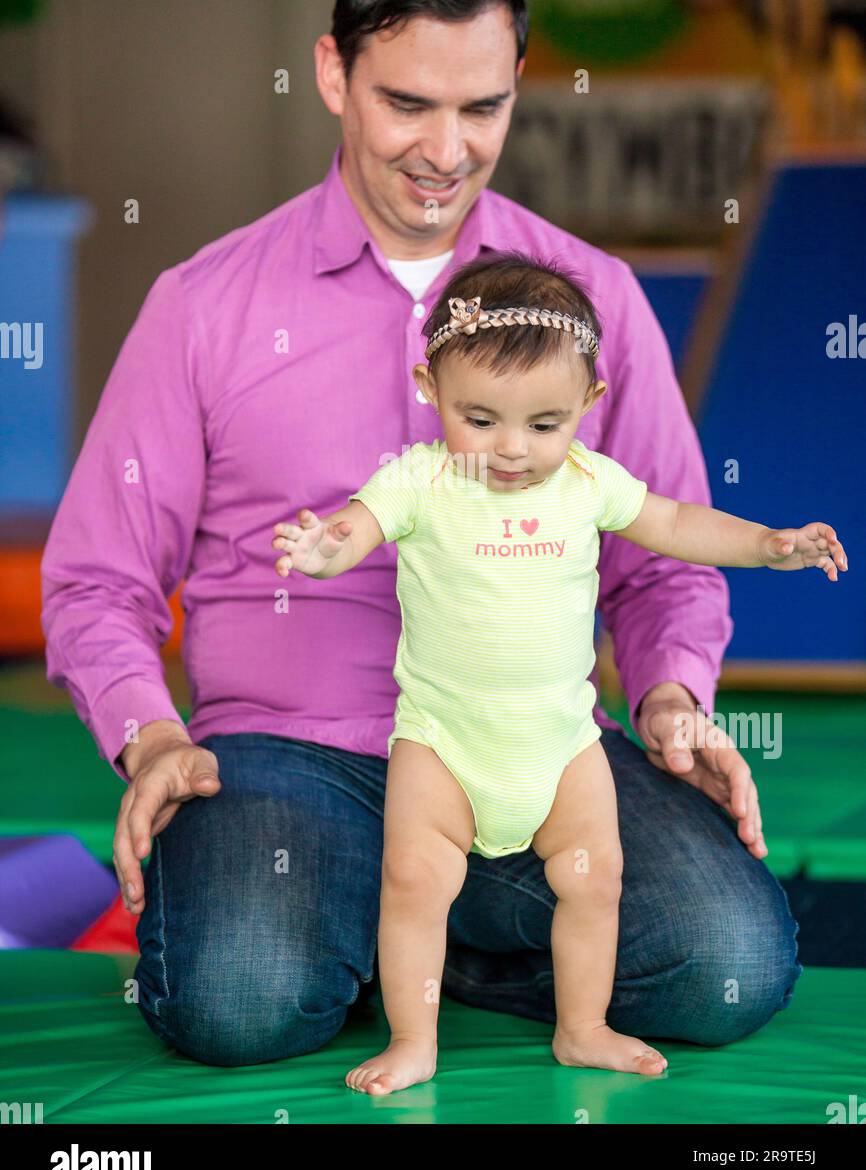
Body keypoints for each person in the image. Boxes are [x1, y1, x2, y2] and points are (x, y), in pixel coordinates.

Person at [42, 0, 804, 1069]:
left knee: (726, 957)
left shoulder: (588, 301)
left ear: (515, 88)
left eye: (480, 108)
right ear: (334, 74)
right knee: (235, 997)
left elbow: (662, 562)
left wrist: (668, 700)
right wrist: (150, 737)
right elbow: (99, 576)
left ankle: (393, 938)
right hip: (288, 756)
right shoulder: (202, 306)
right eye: (407, 103)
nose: (444, 150)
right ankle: (390, 931)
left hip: (535, 749)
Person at [273, 253, 845, 1093]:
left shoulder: (589, 484)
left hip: (563, 743)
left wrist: (771, 545)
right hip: (443, 742)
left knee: (595, 881)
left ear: (590, 403)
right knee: (414, 883)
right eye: (480, 419)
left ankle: (582, 1028)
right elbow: (359, 524)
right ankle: (413, 1039)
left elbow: (678, 522)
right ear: (428, 387)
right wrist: (326, 549)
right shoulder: (422, 480)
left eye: (544, 424)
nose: (511, 450)